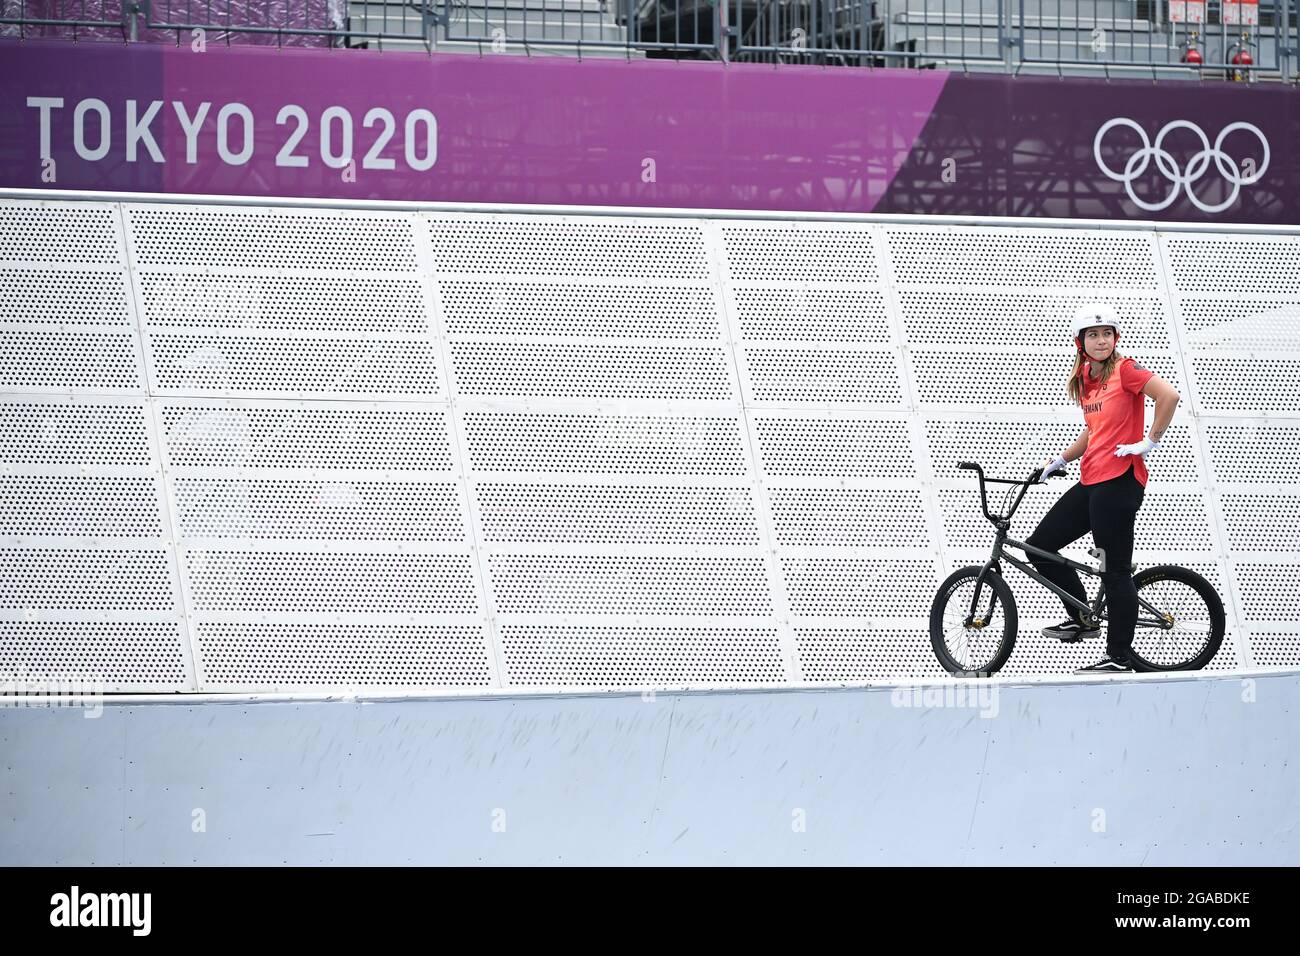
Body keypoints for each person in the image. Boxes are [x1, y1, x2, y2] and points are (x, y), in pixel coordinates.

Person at [1031, 304, 1181, 674]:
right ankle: (1083, 616)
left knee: (1114, 572)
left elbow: (1169, 397)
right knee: (1040, 546)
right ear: (1080, 342)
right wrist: (1060, 461)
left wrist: (1150, 441)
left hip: (1119, 483)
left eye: (1106, 334)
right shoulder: (1085, 377)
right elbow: (1094, 430)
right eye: (1093, 335)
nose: (1101, 341)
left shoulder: (1126, 370)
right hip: (1091, 480)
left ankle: (1119, 657)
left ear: (1116, 338)